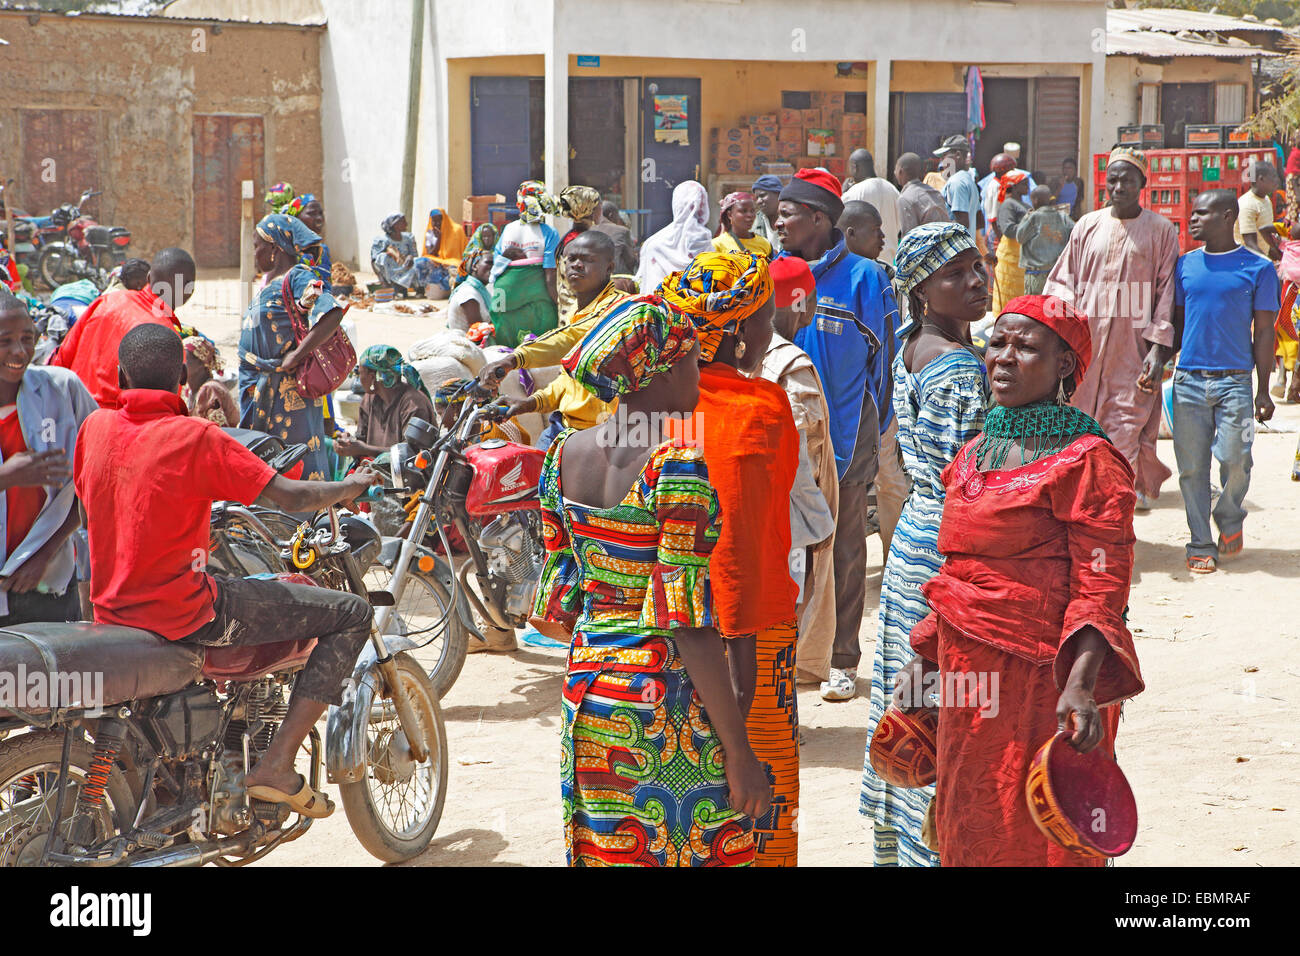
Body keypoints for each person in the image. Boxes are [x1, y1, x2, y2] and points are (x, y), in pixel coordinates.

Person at [75, 323, 381, 819]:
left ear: (120, 374)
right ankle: (277, 765)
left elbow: (104, 518)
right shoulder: (196, 437)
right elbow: (290, 496)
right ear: (182, 377)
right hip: (184, 615)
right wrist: (350, 487)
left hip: (111, 614)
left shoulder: (94, 429)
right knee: (351, 612)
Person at [896, 294, 1144, 867]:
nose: (1003, 358)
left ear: (1064, 366)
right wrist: (928, 657)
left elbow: (1101, 588)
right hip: (966, 677)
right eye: (997, 343)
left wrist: (1080, 685)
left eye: (1025, 347)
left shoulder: (1087, 462)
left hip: (1043, 682)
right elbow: (957, 574)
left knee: (1037, 829)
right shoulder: (975, 453)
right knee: (970, 814)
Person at [531, 294, 771, 866]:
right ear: (656, 369)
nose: (698, 373)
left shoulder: (563, 454)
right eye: (690, 358)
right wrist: (738, 751)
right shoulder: (674, 463)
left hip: (589, 699)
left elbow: (562, 599)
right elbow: (685, 621)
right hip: (663, 704)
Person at [658, 251, 801, 866]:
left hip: (661, 641)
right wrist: (737, 716)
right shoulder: (759, 412)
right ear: (740, 331)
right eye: (766, 316)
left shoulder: (646, 411)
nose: (771, 329)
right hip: (745, 646)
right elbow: (740, 556)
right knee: (752, 827)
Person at [859, 221, 991, 868]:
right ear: (920, 290)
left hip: (915, 534)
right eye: (954, 273)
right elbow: (975, 479)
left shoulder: (915, 346)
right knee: (950, 700)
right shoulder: (960, 371)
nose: (975, 279)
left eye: (976, 265)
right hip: (952, 545)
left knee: (912, 704)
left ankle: (906, 841)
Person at [776, 167, 899, 702]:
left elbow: (885, 364)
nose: (777, 224)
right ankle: (792, 655)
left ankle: (842, 657)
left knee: (845, 544)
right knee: (783, 547)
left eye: (788, 215)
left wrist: (872, 430)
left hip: (847, 433)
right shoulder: (773, 272)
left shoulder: (866, 279)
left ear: (820, 219)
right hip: (780, 432)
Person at [1045, 146, 1178, 511]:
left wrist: (1157, 349)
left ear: (1142, 184)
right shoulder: (1088, 225)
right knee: (1080, 424)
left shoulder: (1161, 231)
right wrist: (1056, 335)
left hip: (1132, 351)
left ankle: (1115, 507)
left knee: (1125, 426)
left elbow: (1167, 292)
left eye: (1127, 180)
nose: (1118, 186)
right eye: (1113, 180)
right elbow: (1062, 283)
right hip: (1085, 349)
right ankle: (1086, 504)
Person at [1171, 190, 1280, 573]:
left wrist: (1263, 389)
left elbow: (1265, 332)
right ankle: (1200, 542)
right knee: (1191, 469)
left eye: (1202, 213)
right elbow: (1178, 324)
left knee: (1237, 461)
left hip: (1235, 382)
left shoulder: (1260, 268)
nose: (1193, 219)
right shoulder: (1184, 265)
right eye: (1192, 212)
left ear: (1228, 215)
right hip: (1187, 381)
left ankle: (1230, 518)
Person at [760, 256, 839, 687]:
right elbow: (796, 457)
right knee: (785, 613)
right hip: (789, 518)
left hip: (752, 512)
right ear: (801, 305)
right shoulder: (791, 365)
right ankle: (773, 721)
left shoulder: (737, 351)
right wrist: (820, 521)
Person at [0, 290, 97, 626]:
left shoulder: (63, 391)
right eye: (5, 341)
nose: (19, 351)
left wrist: (44, 554)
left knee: (56, 677)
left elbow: (92, 482)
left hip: (47, 586)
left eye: (27, 338)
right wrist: (6, 478)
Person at [483, 230, 627, 440]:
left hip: (600, 433)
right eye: (571, 259)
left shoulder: (620, 308)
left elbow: (569, 338)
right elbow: (567, 381)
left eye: (588, 260)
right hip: (564, 427)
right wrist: (529, 403)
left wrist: (512, 360)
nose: (576, 265)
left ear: (609, 268)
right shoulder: (575, 313)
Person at [238, 214, 342, 482]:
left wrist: (298, 353)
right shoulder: (269, 284)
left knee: (295, 466)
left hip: (286, 398)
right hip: (262, 392)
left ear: (275, 248)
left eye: (257, 246)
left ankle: (300, 523)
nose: (255, 253)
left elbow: (330, 311)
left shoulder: (297, 276)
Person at [51, 247, 196, 410]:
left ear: (148, 277)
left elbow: (61, 359)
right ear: (189, 289)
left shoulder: (106, 301)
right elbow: (163, 409)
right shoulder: (165, 337)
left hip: (69, 413)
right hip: (115, 428)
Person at [333, 344, 436, 463]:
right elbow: (361, 439)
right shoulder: (369, 399)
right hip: (375, 472)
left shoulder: (413, 404)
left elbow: (411, 454)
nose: (359, 378)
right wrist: (349, 442)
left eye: (360, 373)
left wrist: (364, 449)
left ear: (372, 377)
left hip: (406, 476)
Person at [491, 181, 562, 346]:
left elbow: (497, 264)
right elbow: (550, 275)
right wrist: (558, 303)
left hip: (504, 293)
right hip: (537, 294)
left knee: (506, 342)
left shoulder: (508, 229)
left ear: (519, 204)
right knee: (541, 343)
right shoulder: (549, 233)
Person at [634, 180, 712, 294]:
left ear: (676, 203)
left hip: (662, 310)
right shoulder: (708, 243)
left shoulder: (654, 245)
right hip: (699, 310)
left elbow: (649, 290)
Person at [842, 149, 902, 266]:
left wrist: (844, 192)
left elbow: (841, 224)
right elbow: (900, 225)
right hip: (889, 264)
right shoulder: (892, 189)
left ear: (855, 167)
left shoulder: (854, 192)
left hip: (861, 264)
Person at [554, 185, 603, 324]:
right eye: (599, 206)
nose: (601, 210)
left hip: (567, 315)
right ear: (589, 210)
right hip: (579, 319)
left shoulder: (568, 238)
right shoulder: (583, 244)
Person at [371, 213, 449, 298]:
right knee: (383, 257)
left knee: (423, 261)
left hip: (407, 266)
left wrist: (410, 257)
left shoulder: (408, 238)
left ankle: (419, 289)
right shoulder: (382, 240)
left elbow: (415, 255)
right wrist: (382, 281)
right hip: (392, 271)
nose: (406, 224)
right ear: (395, 225)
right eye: (403, 222)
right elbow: (374, 261)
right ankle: (394, 285)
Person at [1016, 184, 1075, 295]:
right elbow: (1075, 234)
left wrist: (1027, 216)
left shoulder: (1034, 217)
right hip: (1057, 273)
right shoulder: (1062, 216)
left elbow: (1020, 237)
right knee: (1052, 307)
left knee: (1034, 308)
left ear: (1036, 200)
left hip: (1036, 274)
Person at [991, 171, 1031, 312]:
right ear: (1014, 186)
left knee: (1019, 294)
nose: (1028, 186)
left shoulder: (1022, 204)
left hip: (1020, 258)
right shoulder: (1008, 204)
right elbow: (1008, 230)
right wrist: (1032, 226)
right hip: (1011, 258)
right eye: (1024, 183)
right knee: (1010, 293)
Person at [182, 334, 238, 427]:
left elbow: (219, 431)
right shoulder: (188, 390)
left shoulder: (210, 390)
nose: (181, 364)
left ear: (201, 362)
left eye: (185, 359)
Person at [936, 135, 983, 245]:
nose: (942, 162)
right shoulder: (968, 180)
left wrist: (937, 226)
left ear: (957, 155)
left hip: (956, 249)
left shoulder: (956, 181)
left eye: (944, 156)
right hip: (966, 248)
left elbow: (962, 223)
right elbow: (980, 221)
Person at [895, 152, 951, 240]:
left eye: (895, 169)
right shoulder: (935, 193)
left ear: (900, 171)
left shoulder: (905, 198)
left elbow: (909, 239)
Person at [1236, 162, 1283, 261]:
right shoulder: (1247, 204)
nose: (1277, 181)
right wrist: (1267, 263)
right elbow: (1250, 244)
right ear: (1261, 179)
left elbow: (1266, 238)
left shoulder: (1266, 199)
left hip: (1261, 258)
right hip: (1247, 260)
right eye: (1274, 177)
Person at [713, 192, 772, 258]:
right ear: (730, 215)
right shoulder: (717, 245)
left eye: (752, 211)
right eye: (743, 211)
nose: (749, 215)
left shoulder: (765, 243)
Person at [446, 251, 494, 332]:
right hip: (466, 342)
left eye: (494, 264)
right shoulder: (468, 293)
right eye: (489, 263)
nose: (493, 267)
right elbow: (478, 331)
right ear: (475, 266)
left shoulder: (480, 290)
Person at [285, 194, 332, 276]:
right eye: (312, 213)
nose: (319, 218)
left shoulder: (323, 250)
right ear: (295, 218)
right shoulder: (287, 251)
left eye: (321, 213)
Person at [591, 201, 639, 277]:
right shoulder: (622, 231)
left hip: (593, 278)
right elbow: (631, 261)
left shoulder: (589, 230)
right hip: (615, 280)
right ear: (611, 215)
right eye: (618, 216)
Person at [420, 208, 468, 280]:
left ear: (444, 220)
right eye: (434, 221)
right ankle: (420, 287)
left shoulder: (457, 230)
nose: (437, 223)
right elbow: (430, 253)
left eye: (439, 220)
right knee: (420, 262)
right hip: (437, 261)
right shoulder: (430, 233)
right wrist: (439, 238)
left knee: (454, 270)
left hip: (453, 261)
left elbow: (463, 253)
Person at [751, 174, 785, 255]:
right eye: (757, 198)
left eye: (762, 195)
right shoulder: (753, 223)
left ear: (778, 194)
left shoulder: (792, 221)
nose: (758, 201)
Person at [455, 223, 497, 288]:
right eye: (484, 236)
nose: (487, 239)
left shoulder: (498, 253)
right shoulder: (472, 255)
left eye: (489, 236)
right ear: (480, 237)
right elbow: (461, 273)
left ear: (494, 237)